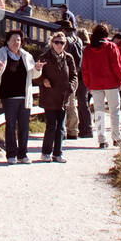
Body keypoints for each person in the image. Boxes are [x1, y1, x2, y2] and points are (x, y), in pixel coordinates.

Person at [0, 29, 40, 164]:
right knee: (10, 126)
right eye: (14, 39)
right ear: (8, 41)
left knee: (24, 126)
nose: (17, 42)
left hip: (24, 96)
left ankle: (23, 154)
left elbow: (34, 75)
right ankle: (11, 154)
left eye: (19, 40)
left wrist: (37, 68)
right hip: (8, 96)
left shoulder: (26, 56)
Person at [37, 31, 79, 162]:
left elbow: (74, 76)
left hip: (63, 96)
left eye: (62, 42)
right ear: (52, 43)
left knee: (61, 126)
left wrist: (71, 87)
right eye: (57, 42)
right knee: (51, 125)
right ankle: (45, 152)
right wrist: (43, 80)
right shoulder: (44, 57)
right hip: (49, 96)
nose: (59, 45)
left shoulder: (68, 58)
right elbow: (36, 74)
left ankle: (58, 153)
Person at [80, 23, 121, 148]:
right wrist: (120, 81)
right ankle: (116, 137)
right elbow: (117, 65)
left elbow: (85, 69)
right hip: (111, 82)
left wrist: (88, 84)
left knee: (99, 111)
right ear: (106, 34)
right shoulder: (111, 46)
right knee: (114, 110)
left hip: (95, 83)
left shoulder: (88, 49)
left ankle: (101, 139)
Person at [60, 19, 88, 138]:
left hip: (66, 75)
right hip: (76, 74)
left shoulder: (66, 40)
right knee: (72, 103)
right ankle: (73, 130)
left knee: (64, 103)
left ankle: (64, 130)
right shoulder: (79, 40)